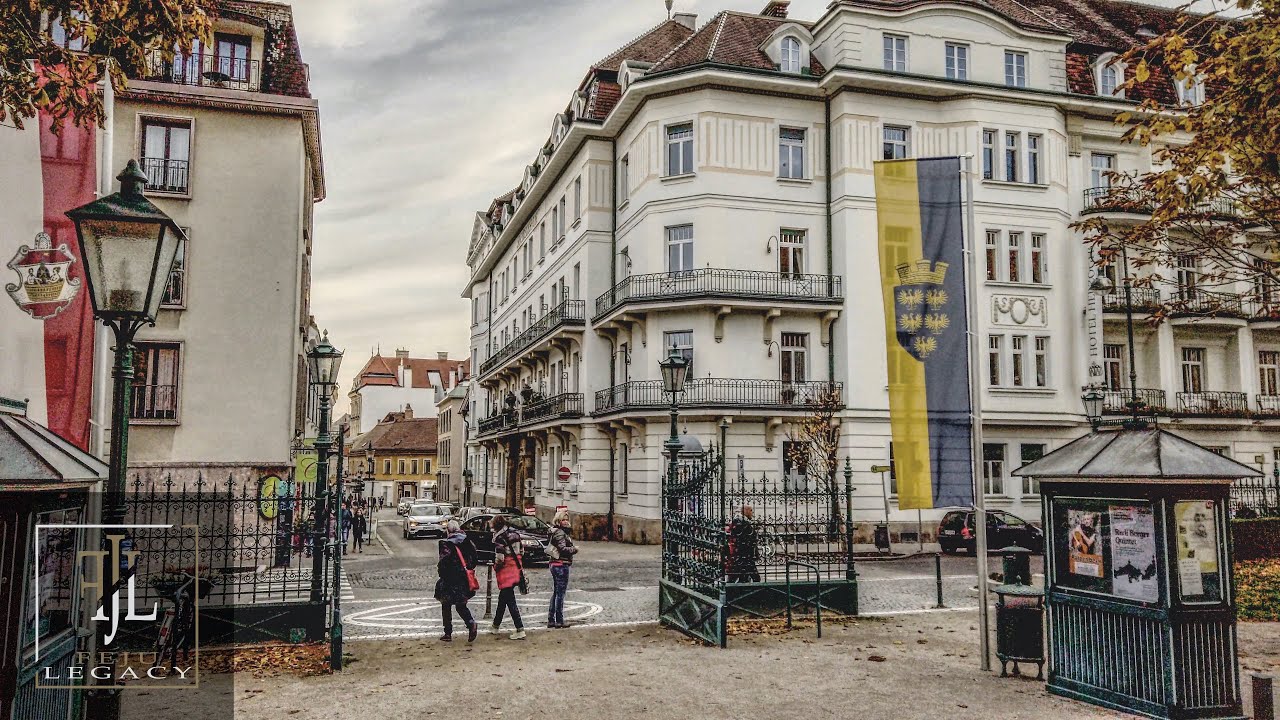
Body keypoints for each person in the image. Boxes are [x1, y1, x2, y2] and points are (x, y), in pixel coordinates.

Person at [434, 520, 478, 642]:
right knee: (461, 605)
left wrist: (442, 575)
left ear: (448, 531)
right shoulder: (467, 541)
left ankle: (448, 633)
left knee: (446, 605)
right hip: (463, 578)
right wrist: (468, 568)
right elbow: (475, 558)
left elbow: (443, 563)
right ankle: (471, 624)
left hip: (450, 579)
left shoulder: (447, 544)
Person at [490, 515, 526, 639]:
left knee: (510, 601)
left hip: (506, 570)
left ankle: (520, 628)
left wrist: (495, 567)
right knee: (503, 599)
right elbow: (522, 551)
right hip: (515, 567)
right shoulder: (515, 534)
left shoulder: (500, 538)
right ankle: (495, 626)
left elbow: (500, 558)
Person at [547, 510, 578, 628]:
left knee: (556, 593)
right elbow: (562, 548)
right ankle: (559, 620)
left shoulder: (556, 531)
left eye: (567, 519)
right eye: (563, 520)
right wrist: (574, 549)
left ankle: (551, 619)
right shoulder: (560, 533)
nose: (566, 522)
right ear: (558, 521)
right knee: (560, 594)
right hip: (560, 564)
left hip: (555, 564)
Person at [727, 505, 761, 583]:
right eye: (751, 510)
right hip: (744, 554)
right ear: (746, 511)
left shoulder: (743, 521)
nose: (752, 513)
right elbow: (744, 538)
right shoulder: (741, 522)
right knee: (755, 578)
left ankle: (734, 589)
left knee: (741, 577)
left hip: (743, 555)